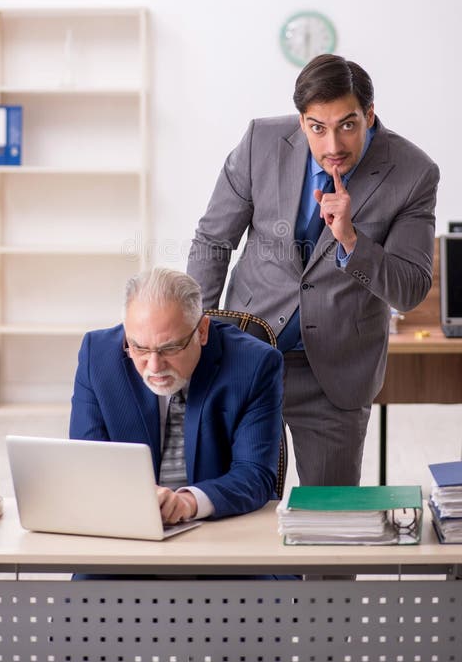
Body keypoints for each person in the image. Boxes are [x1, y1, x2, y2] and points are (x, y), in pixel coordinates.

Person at [188, 53, 439, 486]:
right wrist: (197, 330)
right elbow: (213, 241)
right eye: (316, 127)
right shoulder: (260, 142)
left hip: (335, 375)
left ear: (369, 114)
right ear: (301, 120)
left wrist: (352, 242)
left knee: (330, 525)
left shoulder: (413, 173)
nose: (333, 146)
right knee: (231, 507)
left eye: (347, 124)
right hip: (244, 355)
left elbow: (410, 289)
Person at [69, 267, 283, 524]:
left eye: (170, 348)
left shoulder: (254, 364)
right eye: (139, 347)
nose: (155, 366)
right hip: (126, 525)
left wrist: (188, 502)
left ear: (202, 331)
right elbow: (88, 464)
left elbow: (255, 474)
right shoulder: (98, 356)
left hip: (219, 528)